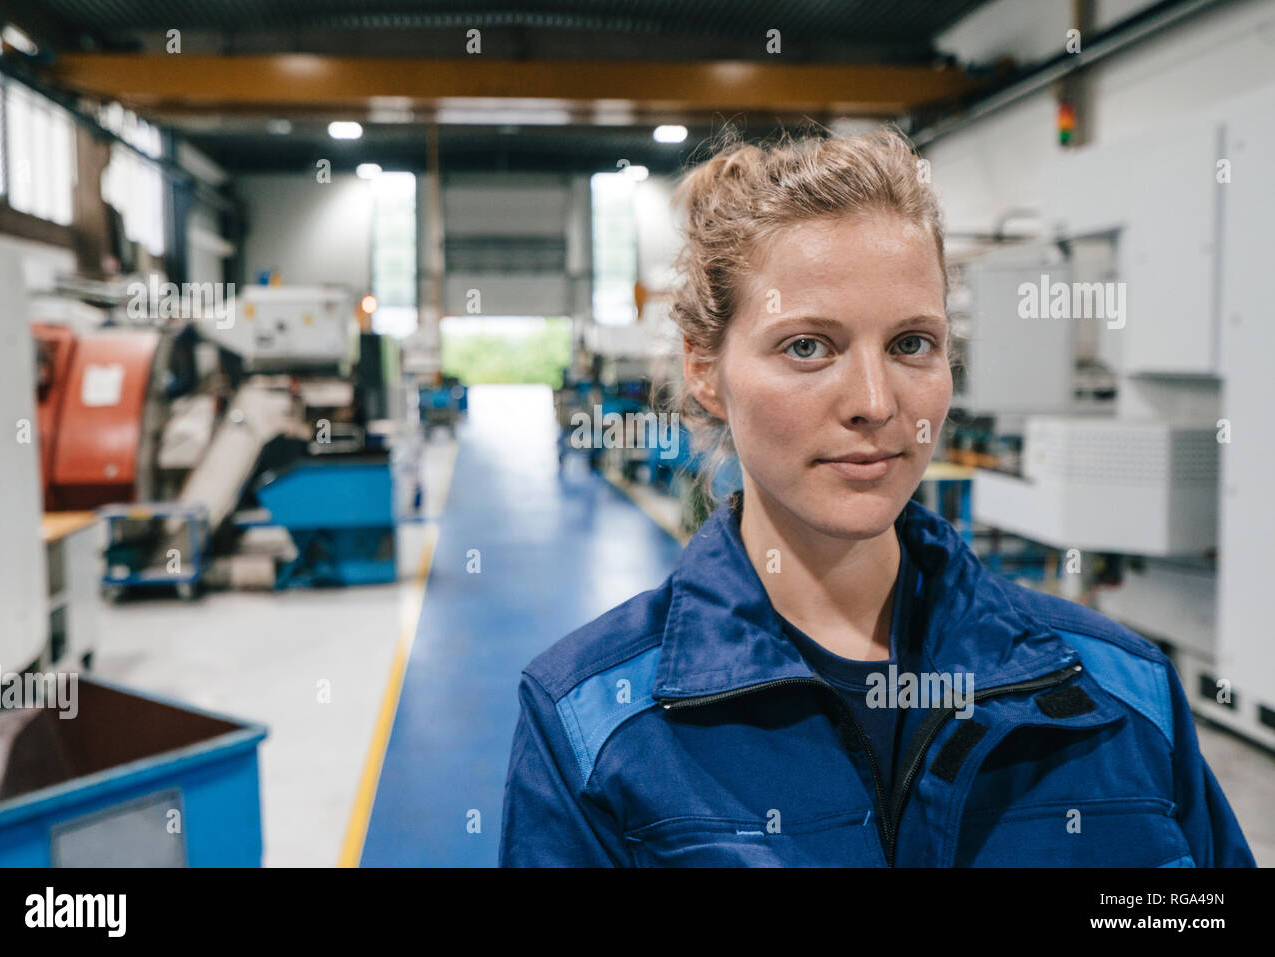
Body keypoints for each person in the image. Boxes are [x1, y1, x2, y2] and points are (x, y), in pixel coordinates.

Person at [497, 128, 1256, 867]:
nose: (873, 402)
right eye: (807, 346)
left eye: (910, 344)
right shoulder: (593, 725)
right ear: (705, 369)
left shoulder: (1119, 691)